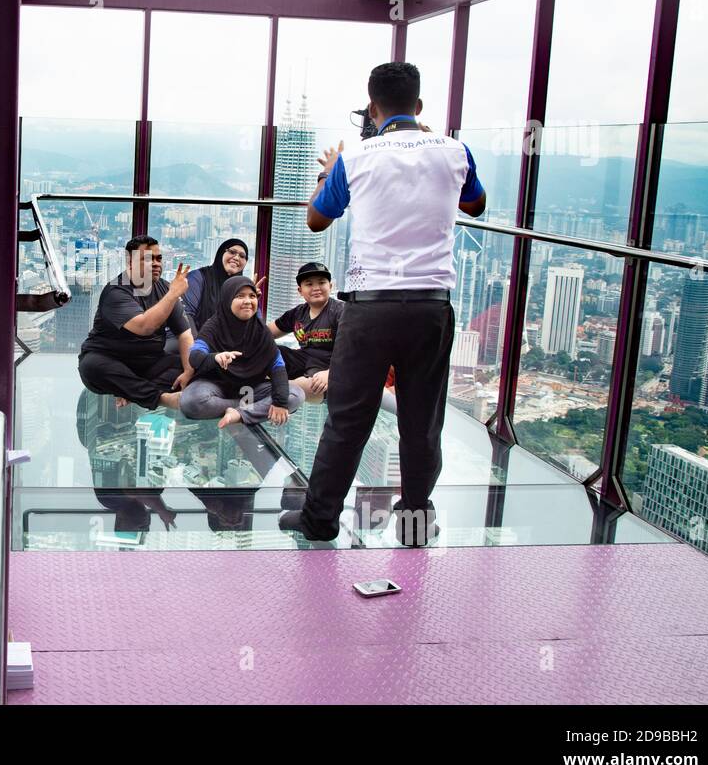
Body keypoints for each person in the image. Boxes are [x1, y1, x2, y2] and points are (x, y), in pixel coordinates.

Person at [280, 61, 486, 546]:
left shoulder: (358, 158)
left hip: (370, 310)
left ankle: (320, 520)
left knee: (348, 419)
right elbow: (475, 205)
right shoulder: (455, 151)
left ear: (372, 108)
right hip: (430, 307)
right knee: (422, 421)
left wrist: (330, 173)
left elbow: (315, 221)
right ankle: (415, 523)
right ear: (419, 107)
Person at [78, 235, 194, 411]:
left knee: (193, 367)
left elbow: (184, 334)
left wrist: (188, 371)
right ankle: (161, 398)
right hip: (110, 361)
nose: (156, 263)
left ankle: (131, 391)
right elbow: (144, 327)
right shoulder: (115, 290)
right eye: (148, 259)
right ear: (130, 262)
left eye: (158, 258)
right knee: (91, 368)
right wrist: (173, 295)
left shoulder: (164, 287)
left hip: (149, 364)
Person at [179, 274, 304, 428]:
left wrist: (280, 402)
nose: (247, 301)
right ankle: (251, 409)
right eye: (240, 296)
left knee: (295, 395)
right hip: (218, 387)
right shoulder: (214, 326)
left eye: (252, 296)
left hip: (251, 389)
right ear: (227, 299)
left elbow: (278, 368)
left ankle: (238, 414)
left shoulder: (261, 331)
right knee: (191, 402)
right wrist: (215, 358)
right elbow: (195, 357)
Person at [267, 262, 343, 403]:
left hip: (330, 370)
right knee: (267, 351)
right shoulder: (298, 313)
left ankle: (267, 393)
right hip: (303, 362)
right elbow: (264, 333)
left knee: (300, 387)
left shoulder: (340, 312)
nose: (316, 288)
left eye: (321, 282)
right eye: (309, 284)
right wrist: (249, 301)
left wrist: (330, 373)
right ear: (300, 290)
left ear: (330, 286)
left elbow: (356, 351)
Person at [182, 238, 249, 330]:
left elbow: (256, 328)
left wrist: (252, 305)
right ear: (221, 253)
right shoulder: (198, 277)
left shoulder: (244, 288)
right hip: (197, 339)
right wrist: (197, 344)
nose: (237, 258)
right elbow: (185, 315)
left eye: (242, 256)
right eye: (232, 252)